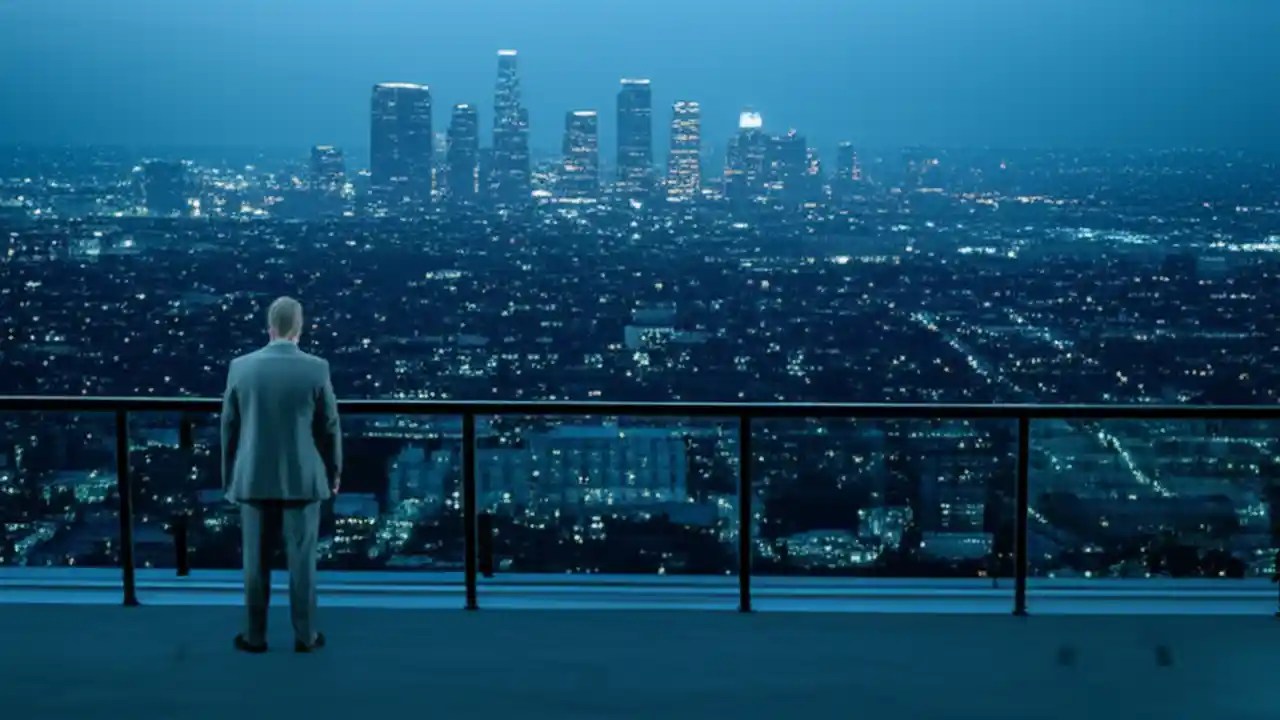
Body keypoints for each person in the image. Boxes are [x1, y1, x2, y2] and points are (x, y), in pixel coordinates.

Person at [221, 296, 342, 654]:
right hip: (303, 479)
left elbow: (229, 428)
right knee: (302, 564)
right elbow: (329, 427)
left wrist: (230, 477)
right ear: (299, 327)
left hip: (253, 478)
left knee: (255, 564)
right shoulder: (317, 368)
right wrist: (333, 472)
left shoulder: (240, 367)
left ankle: (254, 636)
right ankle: (306, 636)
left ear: (269, 326)